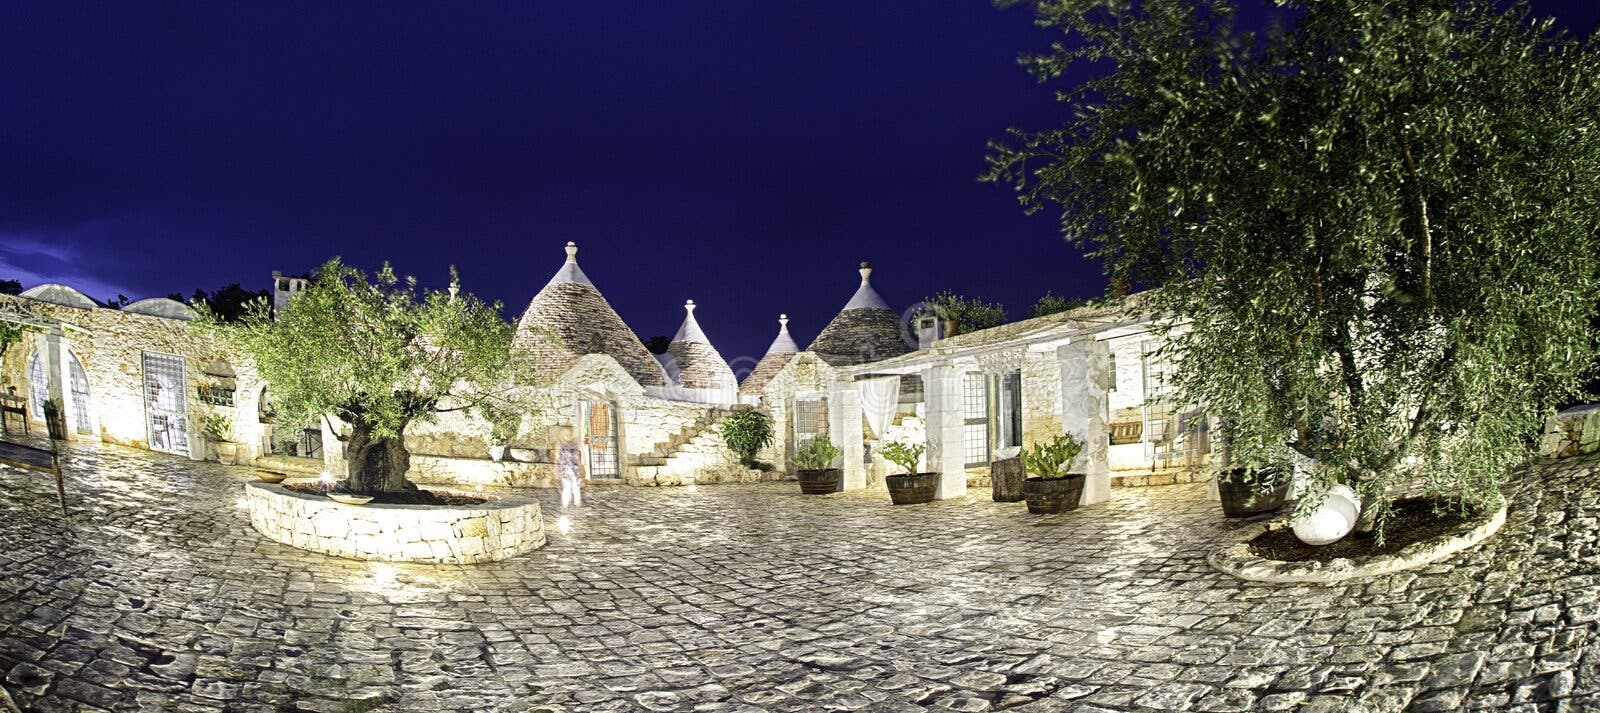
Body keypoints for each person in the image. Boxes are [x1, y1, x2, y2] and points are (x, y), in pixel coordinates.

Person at [556, 425, 583, 508]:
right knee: (567, 486)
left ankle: (576, 503)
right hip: (565, 468)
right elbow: (556, 457)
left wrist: (580, 466)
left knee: (575, 486)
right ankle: (566, 503)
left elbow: (578, 456)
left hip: (573, 468)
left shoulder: (574, 444)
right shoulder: (560, 444)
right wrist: (556, 469)